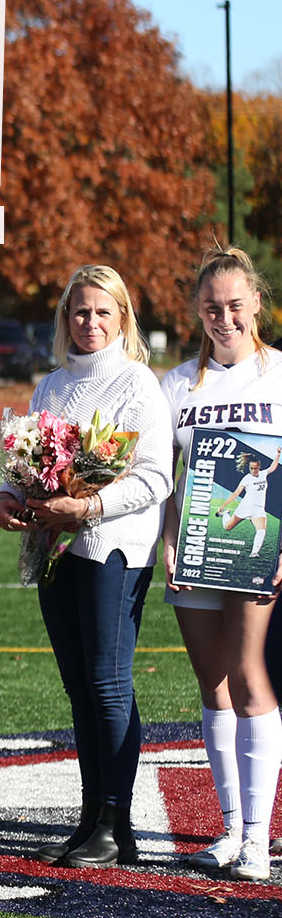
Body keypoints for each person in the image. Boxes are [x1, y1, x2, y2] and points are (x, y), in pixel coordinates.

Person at [0, 266, 172, 868]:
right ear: (65, 317)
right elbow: (26, 468)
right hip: (54, 551)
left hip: (111, 550)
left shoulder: (138, 382)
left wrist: (87, 504)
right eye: (79, 312)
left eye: (102, 312)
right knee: (78, 688)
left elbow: (154, 478)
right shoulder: (50, 386)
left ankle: (118, 826)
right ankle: (92, 820)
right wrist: (12, 499)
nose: (90, 323)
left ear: (122, 319)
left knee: (107, 684)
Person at [157, 247, 282, 881]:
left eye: (235, 304)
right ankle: (232, 828)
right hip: (196, 553)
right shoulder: (176, 384)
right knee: (216, 688)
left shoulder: (280, 375)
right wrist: (170, 540)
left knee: (251, 673)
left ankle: (260, 837)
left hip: (257, 548)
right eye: (212, 307)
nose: (225, 317)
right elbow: (162, 478)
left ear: (257, 303)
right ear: (197, 311)